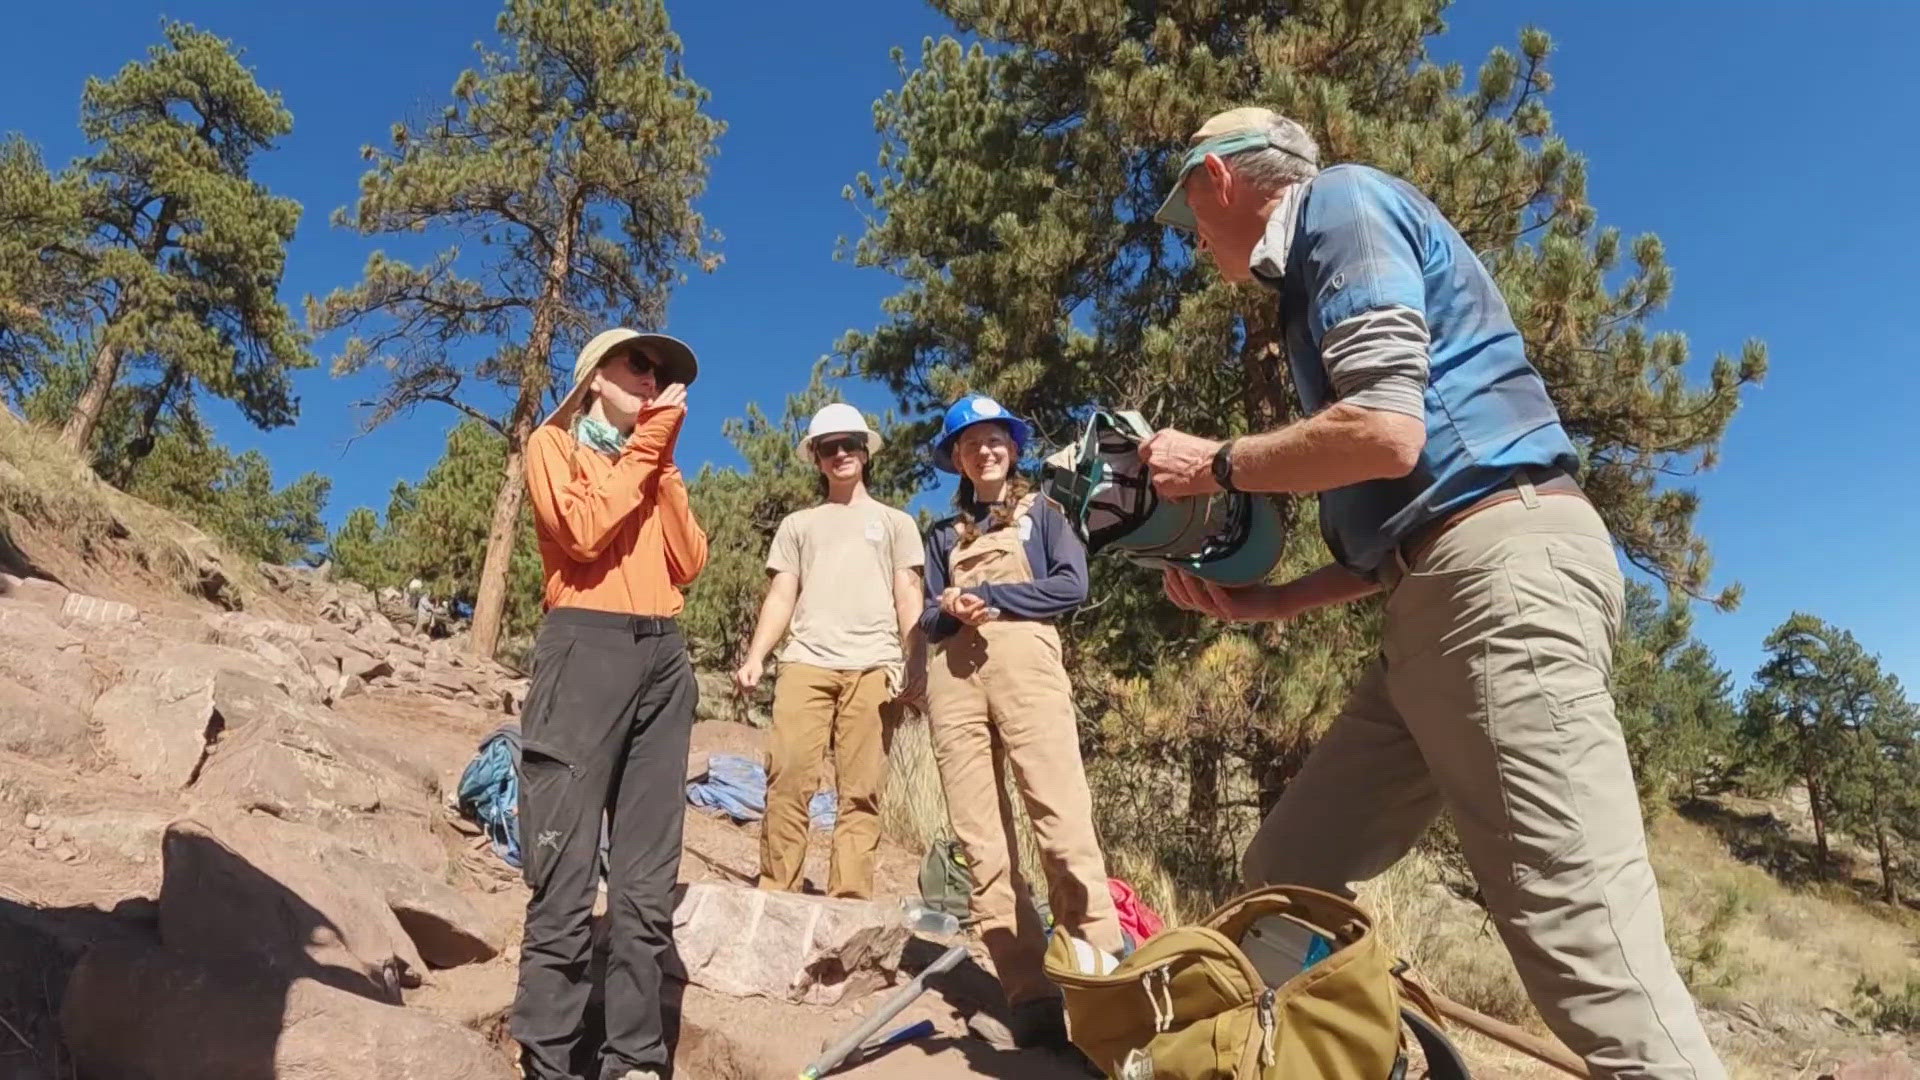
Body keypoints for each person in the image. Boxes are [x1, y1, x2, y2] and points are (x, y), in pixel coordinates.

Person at [1143, 106, 1726, 1080]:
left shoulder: (1341, 205)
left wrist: (1217, 464)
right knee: (1285, 875)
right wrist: (1266, 605)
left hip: (1498, 579)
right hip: (1435, 600)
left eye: (1186, 215)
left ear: (1218, 177)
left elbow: (1386, 432)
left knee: (1588, 946)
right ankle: (1363, 1057)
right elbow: (1390, 533)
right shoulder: (1309, 280)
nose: (1192, 239)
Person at [515, 326, 708, 1080]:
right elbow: (586, 532)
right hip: (584, 647)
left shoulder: (651, 462)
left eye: (659, 372)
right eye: (638, 364)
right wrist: (649, 448)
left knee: (646, 876)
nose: (652, 379)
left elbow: (689, 560)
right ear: (595, 376)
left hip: (664, 653)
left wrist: (660, 468)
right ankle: (549, 1059)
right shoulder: (553, 447)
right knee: (563, 862)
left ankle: (634, 1056)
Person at [917, 393, 1125, 1054]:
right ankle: (1028, 993)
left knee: (1060, 821)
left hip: (1026, 666)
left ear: (1013, 447)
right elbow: (924, 618)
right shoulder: (941, 536)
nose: (985, 449)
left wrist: (995, 596)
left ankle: (1102, 982)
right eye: (971, 441)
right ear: (956, 456)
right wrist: (949, 606)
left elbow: (1072, 586)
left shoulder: (1045, 514)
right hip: (954, 680)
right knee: (981, 839)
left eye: (996, 438)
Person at [733, 402, 925, 900]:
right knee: (789, 777)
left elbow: (908, 594)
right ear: (816, 459)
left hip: (874, 667)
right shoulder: (799, 525)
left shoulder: (895, 523)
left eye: (849, 444)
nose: (840, 454)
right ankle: (777, 891)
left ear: (865, 453)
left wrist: (916, 660)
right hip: (805, 663)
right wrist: (756, 655)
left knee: (860, 790)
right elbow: (781, 594)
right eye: (828, 447)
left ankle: (850, 901)